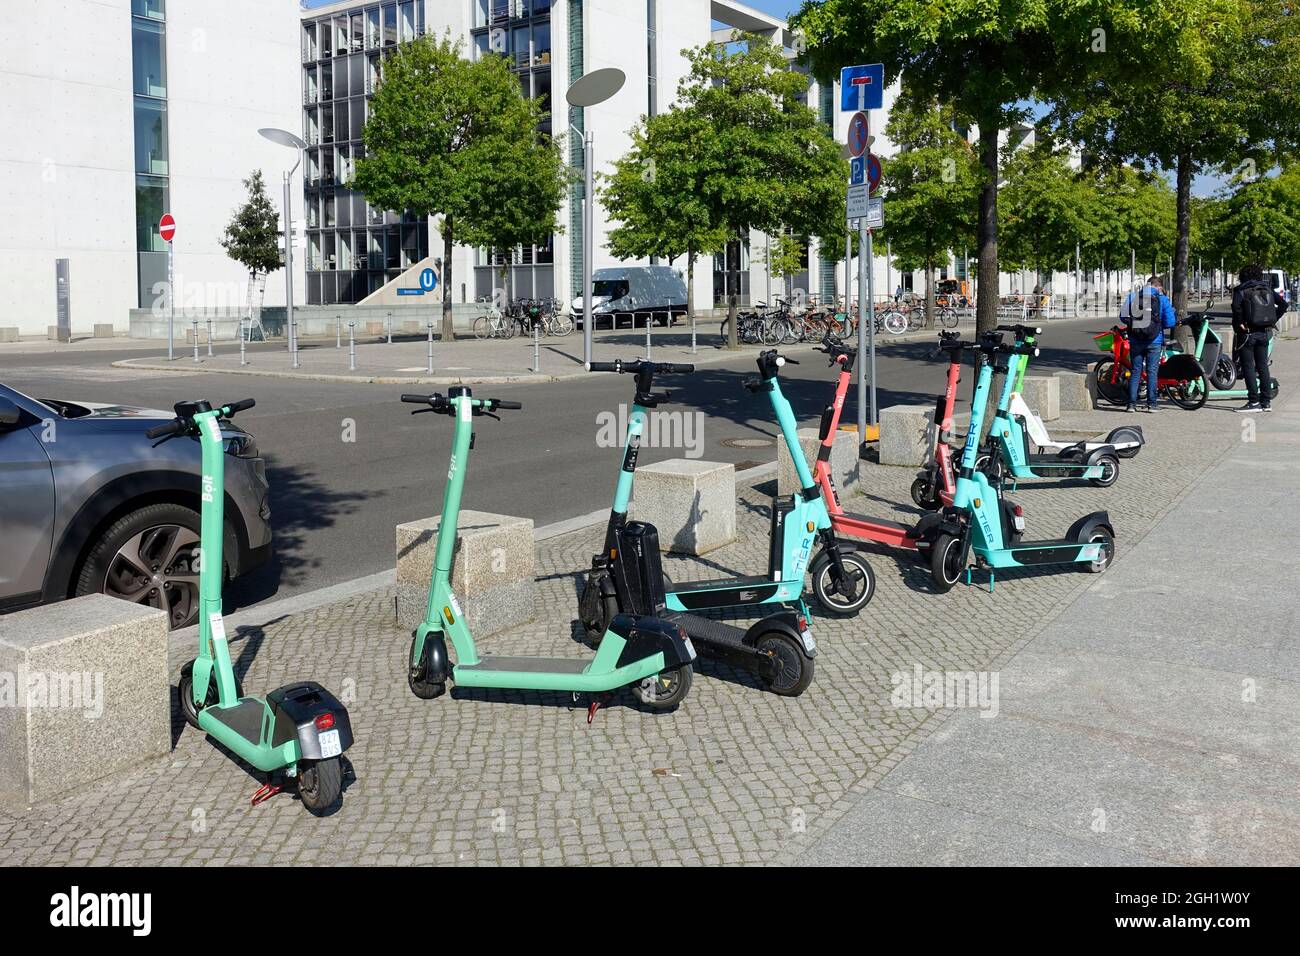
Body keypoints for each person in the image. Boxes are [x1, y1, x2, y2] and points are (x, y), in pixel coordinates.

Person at [1231, 263, 1286, 413]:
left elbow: (1236, 309)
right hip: (1264, 332)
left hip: (1247, 333)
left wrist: (1240, 324)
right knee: (1262, 366)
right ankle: (1266, 402)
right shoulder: (1267, 288)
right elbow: (1283, 304)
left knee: (1248, 366)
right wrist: (1272, 319)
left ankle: (1253, 401)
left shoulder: (1241, 290)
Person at [1119, 275, 1176, 413]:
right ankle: (1152, 404)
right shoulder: (1162, 299)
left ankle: (1131, 405)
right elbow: (1170, 322)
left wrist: (1135, 326)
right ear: (1158, 287)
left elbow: (1123, 317)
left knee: (1135, 371)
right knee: (1152, 372)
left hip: (1135, 340)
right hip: (1154, 340)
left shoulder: (1133, 296)